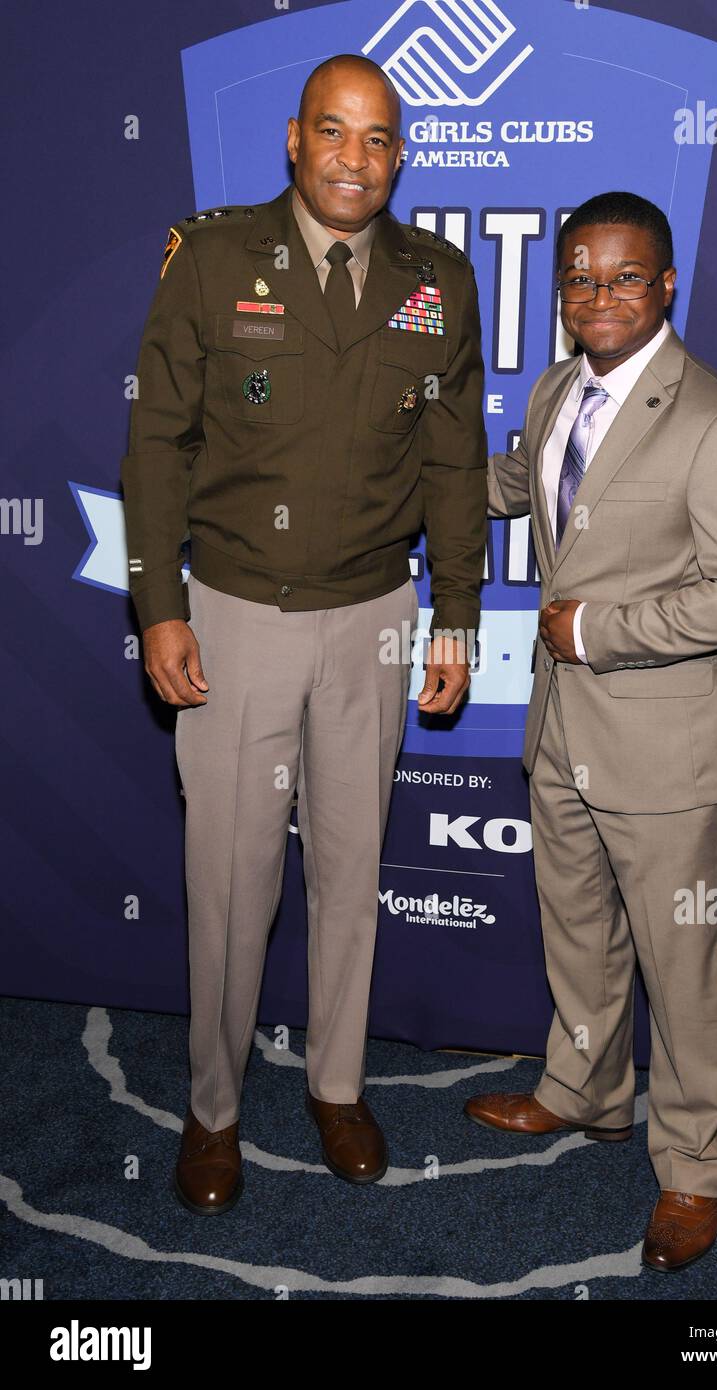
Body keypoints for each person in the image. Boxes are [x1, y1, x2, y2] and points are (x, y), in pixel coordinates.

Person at [121, 53, 487, 1212]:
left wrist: (458, 613)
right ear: (293, 139)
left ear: (397, 155)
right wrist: (161, 607)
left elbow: (452, 460)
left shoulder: (437, 279)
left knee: (347, 870)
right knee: (228, 883)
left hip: (376, 617)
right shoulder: (214, 257)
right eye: (333, 132)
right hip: (236, 615)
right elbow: (155, 446)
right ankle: (213, 1108)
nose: (353, 159)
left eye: (377, 139)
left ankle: (336, 1084)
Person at [468, 191, 717, 1271]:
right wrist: (399, 486)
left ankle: (694, 1165)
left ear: (662, 287)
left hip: (669, 747)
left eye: (619, 277)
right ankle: (587, 1090)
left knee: (683, 965)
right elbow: (519, 487)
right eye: (577, 278)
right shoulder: (557, 387)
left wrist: (601, 628)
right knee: (576, 931)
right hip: (562, 729)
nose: (595, 295)